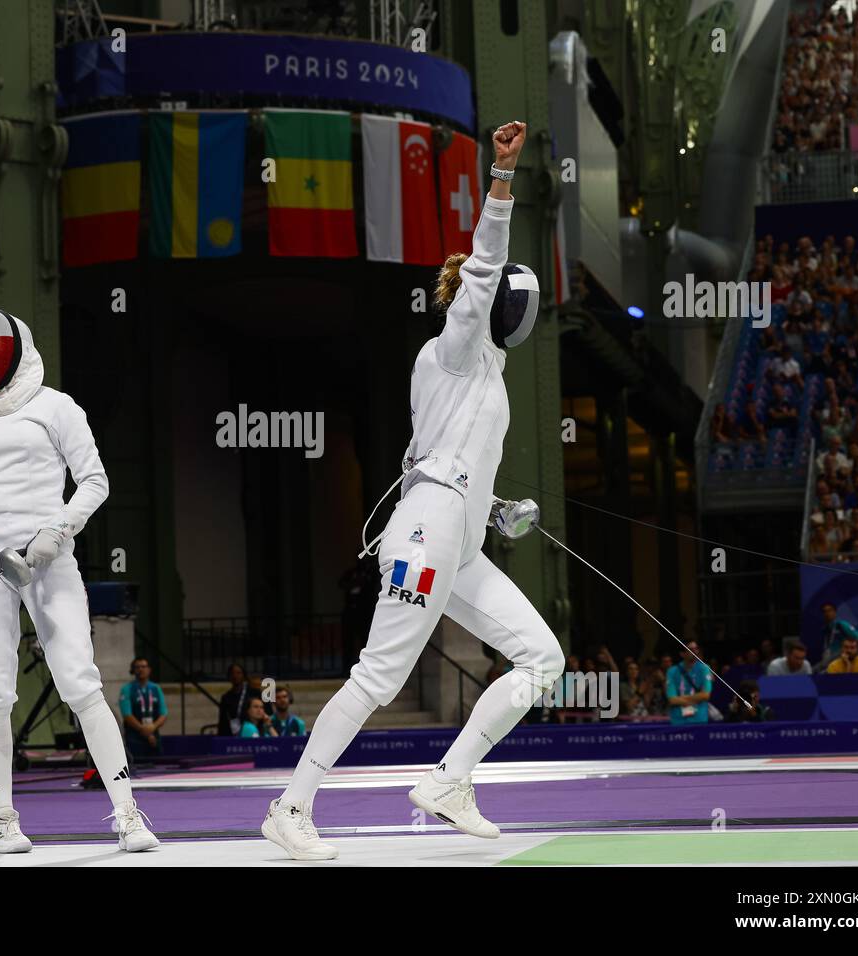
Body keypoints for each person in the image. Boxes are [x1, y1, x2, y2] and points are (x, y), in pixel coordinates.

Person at [261, 122, 564, 861]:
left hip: (456, 535)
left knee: (541, 659)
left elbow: (441, 457)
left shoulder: (479, 374)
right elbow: (486, 261)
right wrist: (501, 175)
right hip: (427, 531)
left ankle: (450, 781)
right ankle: (290, 806)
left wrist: (498, 510)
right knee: (379, 677)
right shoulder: (456, 347)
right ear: (481, 305)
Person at [0, 307, 157, 854]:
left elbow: (95, 480)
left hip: (48, 557)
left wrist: (57, 531)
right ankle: (4, 820)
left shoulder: (57, 406)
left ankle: (127, 813)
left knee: (81, 682)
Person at [119, 658, 167, 760]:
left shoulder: (156, 688)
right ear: (133, 670)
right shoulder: (127, 689)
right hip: (134, 737)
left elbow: (163, 713)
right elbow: (127, 715)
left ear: (149, 669)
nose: (141, 669)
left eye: (143, 667)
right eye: (137, 667)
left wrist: (152, 728)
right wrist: (143, 730)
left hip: (154, 734)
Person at [665, 642, 712, 725]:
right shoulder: (672, 671)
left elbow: (705, 695)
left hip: (699, 719)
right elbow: (672, 699)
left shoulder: (704, 668)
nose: (695, 652)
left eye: (696, 649)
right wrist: (695, 699)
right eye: (691, 650)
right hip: (678, 720)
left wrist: (682, 698)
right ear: (682, 654)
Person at [218, 663, 251, 736]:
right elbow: (223, 721)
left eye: (238, 673)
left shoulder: (252, 693)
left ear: (244, 675)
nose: (235, 676)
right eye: (232, 673)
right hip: (233, 734)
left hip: (250, 733)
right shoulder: (226, 697)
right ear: (229, 677)